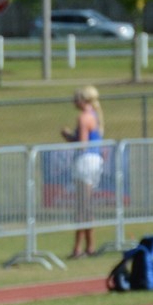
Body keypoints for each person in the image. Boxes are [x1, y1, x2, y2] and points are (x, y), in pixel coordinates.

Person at [63, 85, 104, 259]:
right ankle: (88, 246)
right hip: (95, 161)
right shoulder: (95, 116)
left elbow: (82, 144)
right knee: (86, 205)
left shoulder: (84, 117)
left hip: (85, 162)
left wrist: (68, 136)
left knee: (82, 206)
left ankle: (80, 248)